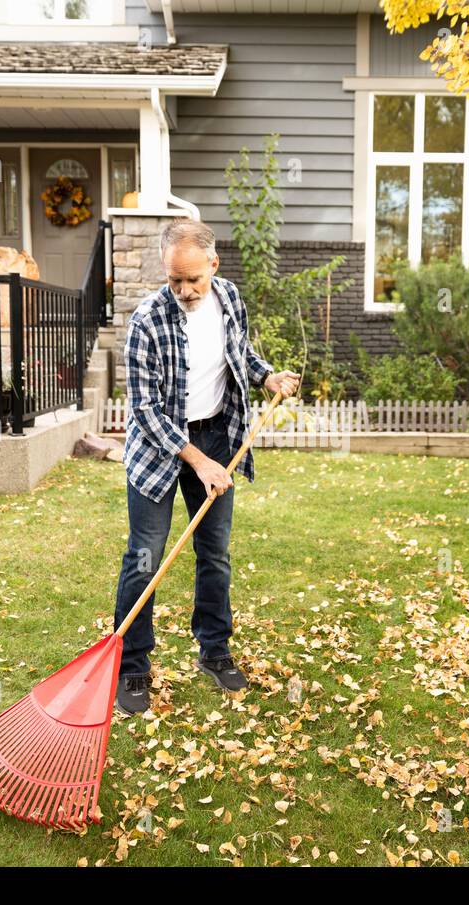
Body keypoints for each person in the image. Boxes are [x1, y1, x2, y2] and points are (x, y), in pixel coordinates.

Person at [112, 218, 300, 716]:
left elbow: (236, 354)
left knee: (213, 553)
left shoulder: (229, 298)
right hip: (160, 448)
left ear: (213, 266)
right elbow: (145, 410)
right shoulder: (146, 321)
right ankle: (132, 665)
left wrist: (266, 377)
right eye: (175, 279)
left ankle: (214, 651)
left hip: (217, 434)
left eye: (194, 279)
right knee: (145, 557)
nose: (185, 290)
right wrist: (197, 463)